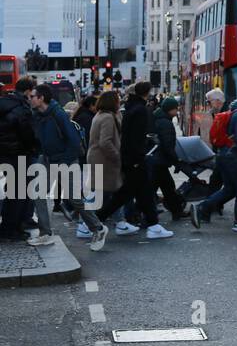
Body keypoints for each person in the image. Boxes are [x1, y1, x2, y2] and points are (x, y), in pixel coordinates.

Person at [30, 84, 108, 250]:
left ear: (41, 98)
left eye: (32, 96)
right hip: (48, 159)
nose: (29, 99)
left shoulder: (58, 114)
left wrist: (64, 163)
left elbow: (73, 141)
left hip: (66, 160)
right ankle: (45, 233)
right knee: (37, 193)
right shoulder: (37, 115)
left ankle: (98, 228)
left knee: (75, 199)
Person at [95, 82, 174, 240]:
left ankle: (153, 225)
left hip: (131, 159)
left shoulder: (131, 108)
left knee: (141, 192)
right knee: (124, 195)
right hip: (135, 160)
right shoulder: (141, 111)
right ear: (147, 93)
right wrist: (138, 158)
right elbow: (136, 138)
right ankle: (94, 222)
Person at [191, 87, 237, 232]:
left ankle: (201, 208)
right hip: (235, 158)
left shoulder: (235, 112)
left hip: (225, 156)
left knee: (229, 189)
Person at [84, 91, 134, 237]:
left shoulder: (102, 115)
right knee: (102, 192)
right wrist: (117, 156)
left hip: (100, 159)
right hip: (104, 160)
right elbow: (105, 142)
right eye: (117, 100)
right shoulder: (107, 118)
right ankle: (86, 224)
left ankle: (120, 222)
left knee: (111, 192)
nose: (120, 103)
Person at [0, 78, 38, 242]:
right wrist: (34, 147)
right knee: (19, 193)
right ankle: (10, 229)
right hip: (19, 154)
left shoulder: (5, 103)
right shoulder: (22, 108)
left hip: (5, 153)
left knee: (13, 191)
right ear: (28, 91)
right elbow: (27, 134)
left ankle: (10, 226)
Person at [146, 97, 188, 222]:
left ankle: (176, 211)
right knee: (157, 188)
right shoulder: (166, 123)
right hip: (159, 161)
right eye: (176, 108)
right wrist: (177, 160)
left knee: (167, 187)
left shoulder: (157, 118)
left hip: (156, 160)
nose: (178, 110)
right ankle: (145, 216)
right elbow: (168, 145)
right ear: (170, 109)